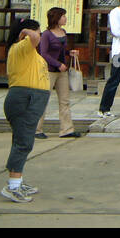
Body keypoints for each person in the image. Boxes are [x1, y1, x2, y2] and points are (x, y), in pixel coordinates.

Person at [1, 18, 50, 203]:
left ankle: (17, 180)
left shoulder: (28, 51)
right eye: (38, 30)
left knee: (22, 140)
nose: (41, 34)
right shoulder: (21, 47)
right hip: (25, 99)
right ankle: (13, 186)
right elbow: (35, 38)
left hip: (31, 99)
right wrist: (27, 33)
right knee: (24, 142)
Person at [36, 7, 79, 139]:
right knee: (43, 99)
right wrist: (57, 64)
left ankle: (67, 129)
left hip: (62, 71)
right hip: (49, 70)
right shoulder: (46, 34)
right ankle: (36, 129)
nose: (65, 18)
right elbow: (44, 53)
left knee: (64, 100)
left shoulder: (63, 32)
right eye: (63, 16)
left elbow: (61, 51)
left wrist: (69, 53)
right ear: (56, 18)